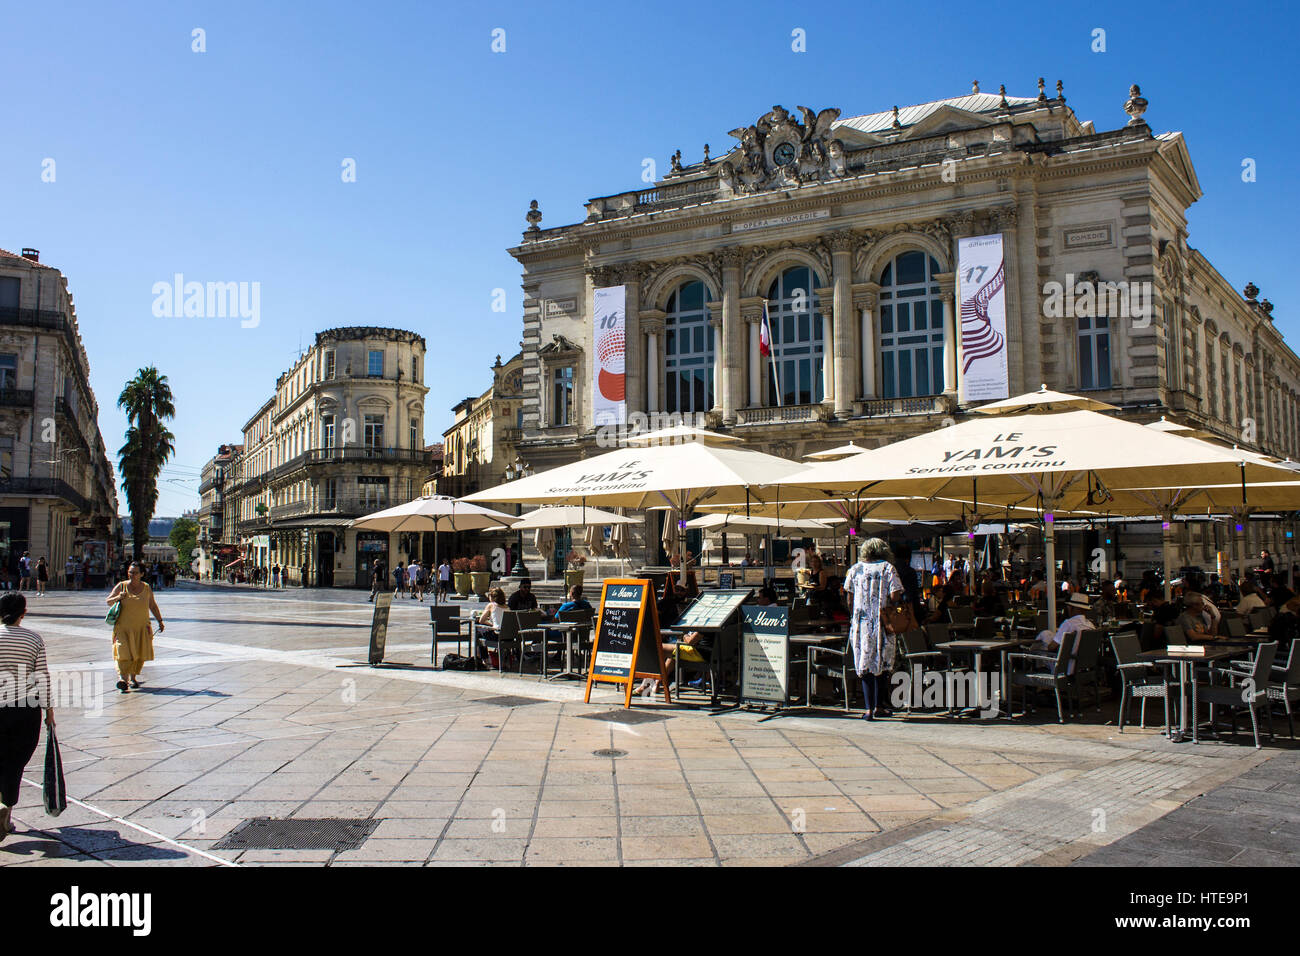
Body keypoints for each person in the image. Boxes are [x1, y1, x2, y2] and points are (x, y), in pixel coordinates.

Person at [0, 592, 55, 841]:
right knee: (15, 764)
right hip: (25, 710)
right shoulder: (34, 639)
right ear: (24, 613)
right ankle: (6, 811)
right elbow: (42, 677)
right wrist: (49, 712)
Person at [843, 538, 905, 720]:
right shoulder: (888, 568)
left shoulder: (855, 569)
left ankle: (868, 709)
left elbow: (848, 598)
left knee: (865, 662)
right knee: (883, 663)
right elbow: (895, 596)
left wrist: (856, 613)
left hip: (861, 623)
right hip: (883, 622)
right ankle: (879, 705)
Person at [105, 562, 165, 692]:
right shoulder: (121, 586)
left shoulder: (147, 587)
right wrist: (118, 597)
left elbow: (152, 606)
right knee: (122, 654)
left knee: (138, 655)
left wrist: (160, 621)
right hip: (123, 628)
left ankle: (132, 678)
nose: (132, 575)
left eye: (135, 572)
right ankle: (123, 679)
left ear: (142, 574)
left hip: (141, 628)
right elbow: (108, 601)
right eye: (130, 572)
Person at [1032, 593, 1094, 673]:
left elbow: (1051, 647)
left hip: (1064, 666)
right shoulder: (1091, 625)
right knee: (1047, 634)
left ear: (1072, 608)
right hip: (1081, 666)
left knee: (1044, 637)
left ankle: (1029, 659)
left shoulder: (1069, 624)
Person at [476, 587, 508, 666]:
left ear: (492, 597)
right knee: (482, 631)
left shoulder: (491, 605)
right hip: (508, 636)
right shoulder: (507, 607)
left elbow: (481, 620)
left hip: (496, 636)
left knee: (478, 631)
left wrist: (490, 624)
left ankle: (484, 658)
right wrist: (493, 624)